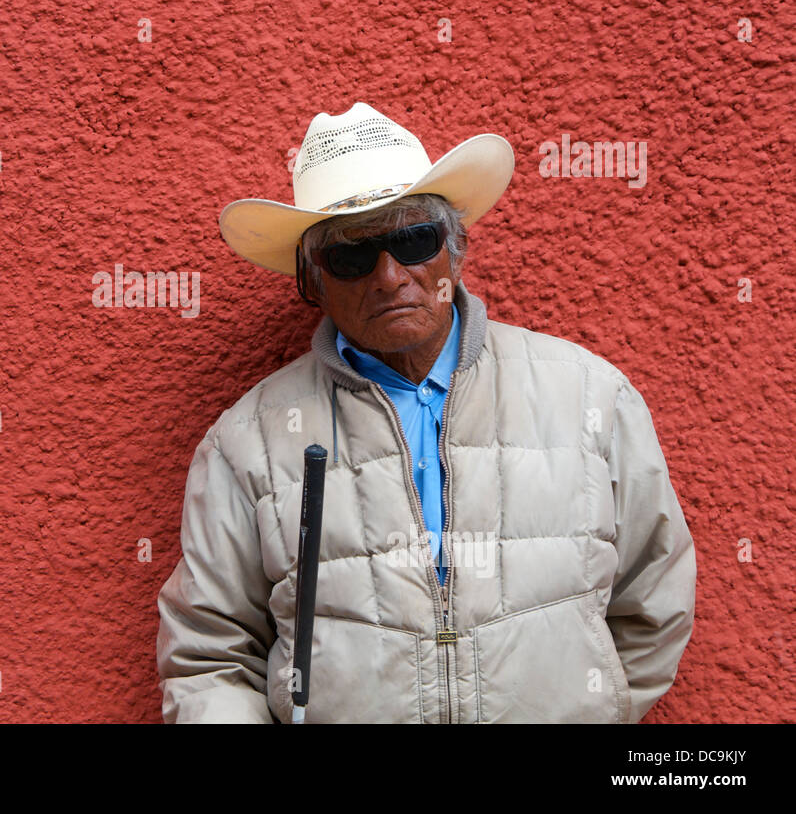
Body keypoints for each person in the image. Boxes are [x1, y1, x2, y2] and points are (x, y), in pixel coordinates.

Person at [155, 101, 696, 723]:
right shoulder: (246, 442)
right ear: (316, 282)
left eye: (413, 238)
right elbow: (208, 659)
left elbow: (655, 596)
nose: (389, 276)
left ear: (454, 251)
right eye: (353, 256)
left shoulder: (590, 398)